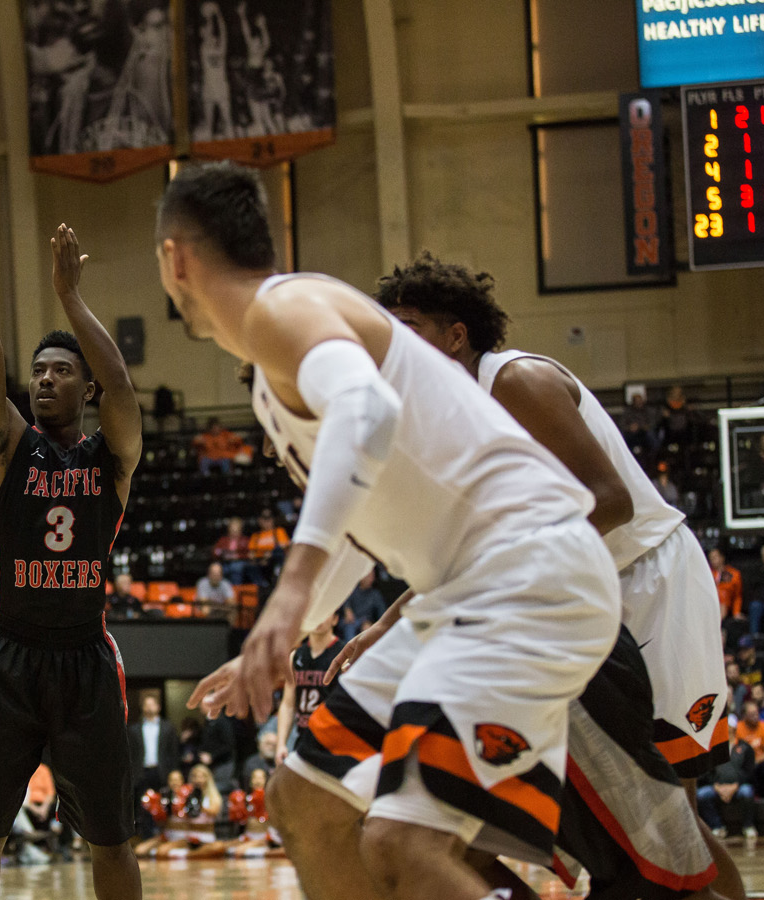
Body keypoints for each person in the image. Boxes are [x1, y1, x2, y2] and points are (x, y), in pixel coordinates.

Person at [162, 164, 622, 900]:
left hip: (526, 573)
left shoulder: (287, 309)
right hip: (466, 593)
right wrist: (292, 627)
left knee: (404, 842)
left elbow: (368, 415)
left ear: (173, 259)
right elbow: (354, 523)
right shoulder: (272, 364)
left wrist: (289, 593)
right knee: (303, 800)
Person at [375, 253, 738, 894]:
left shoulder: (514, 381)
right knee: (612, 814)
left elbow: (609, 500)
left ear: (456, 334)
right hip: (578, 593)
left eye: (409, 324)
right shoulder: (447, 422)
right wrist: (387, 620)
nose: (393, 341)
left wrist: (499, 570)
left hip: (647, 580)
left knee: (664, 814)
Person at [0, 221, 144, 900]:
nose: (44, 380)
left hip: (86, 658)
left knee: (111, 840)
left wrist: (70, 297)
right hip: (12, 657)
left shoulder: (110, 458)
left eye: (61, 371)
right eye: (38, 372)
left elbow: (124, 390)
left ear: (85, 390)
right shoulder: (4, 449)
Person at [274, 614, 343, 764]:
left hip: (332, 743)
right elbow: (288, 704)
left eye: (326, 612)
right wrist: (281, 744)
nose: (319, 617)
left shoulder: (344, 654)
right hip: (303, 740)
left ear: (335, 619)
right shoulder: (296, 656)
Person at [127, 693, 180, 796]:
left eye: (152, 704)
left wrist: (174, 771)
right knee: (141, 805)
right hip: (141, 772)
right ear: (142, 708)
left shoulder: (168, 727)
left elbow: (174, 752)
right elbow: (131, 753)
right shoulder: (134, 729)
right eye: (146, 705)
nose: (149, 707)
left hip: (162, 772)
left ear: (158, 707)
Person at [696, 759, 757, 844]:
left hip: (738, 786)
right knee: (701, 794)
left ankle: (748, 826)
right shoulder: (710, 753)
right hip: (716, 787)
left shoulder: (742, 749)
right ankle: (717, 827)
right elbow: (704, 776)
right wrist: (717, 787)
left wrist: (735, 786)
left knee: (747, 791)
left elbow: (749, 773)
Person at [710, 548, 743, 621]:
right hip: (710, 604)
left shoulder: (734, 574)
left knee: (722, 606)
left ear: (722, 558)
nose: (713, 560)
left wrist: (736, 612)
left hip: (726, 604)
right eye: (711, 558)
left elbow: (737, 596)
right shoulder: (707, 574)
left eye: (715, 557)